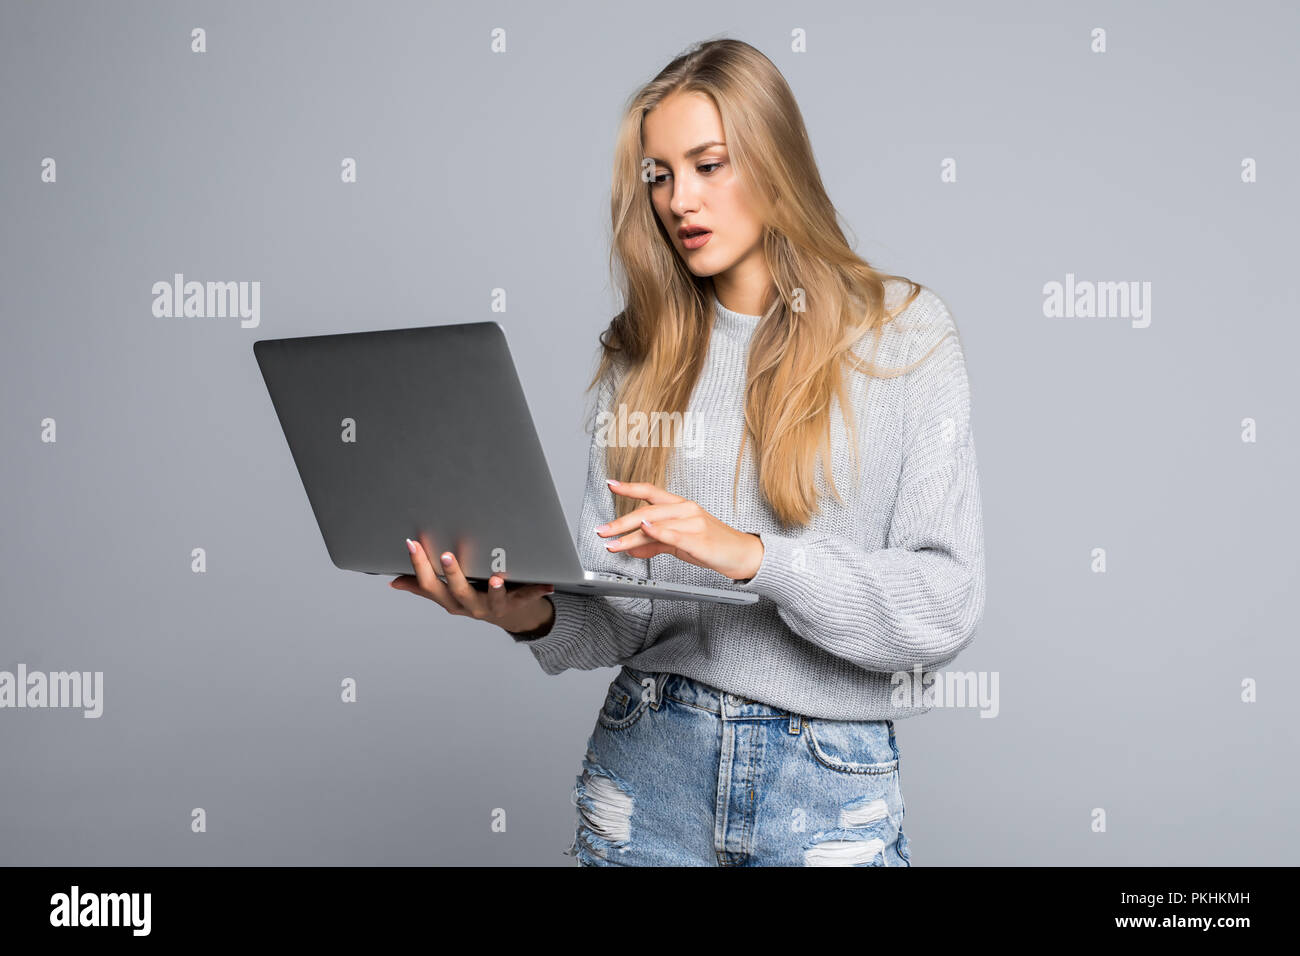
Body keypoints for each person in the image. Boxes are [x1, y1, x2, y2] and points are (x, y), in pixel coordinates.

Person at [389, 37, 986, 866]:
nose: (679, 200)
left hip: (828, 788)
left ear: (776, 160)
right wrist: (527, 613)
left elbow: (944, 603)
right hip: (648, 767)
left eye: (709, 164)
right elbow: (629, 612)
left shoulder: (906, 336)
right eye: (659, 175)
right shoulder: (643, 356)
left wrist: (751, 557)